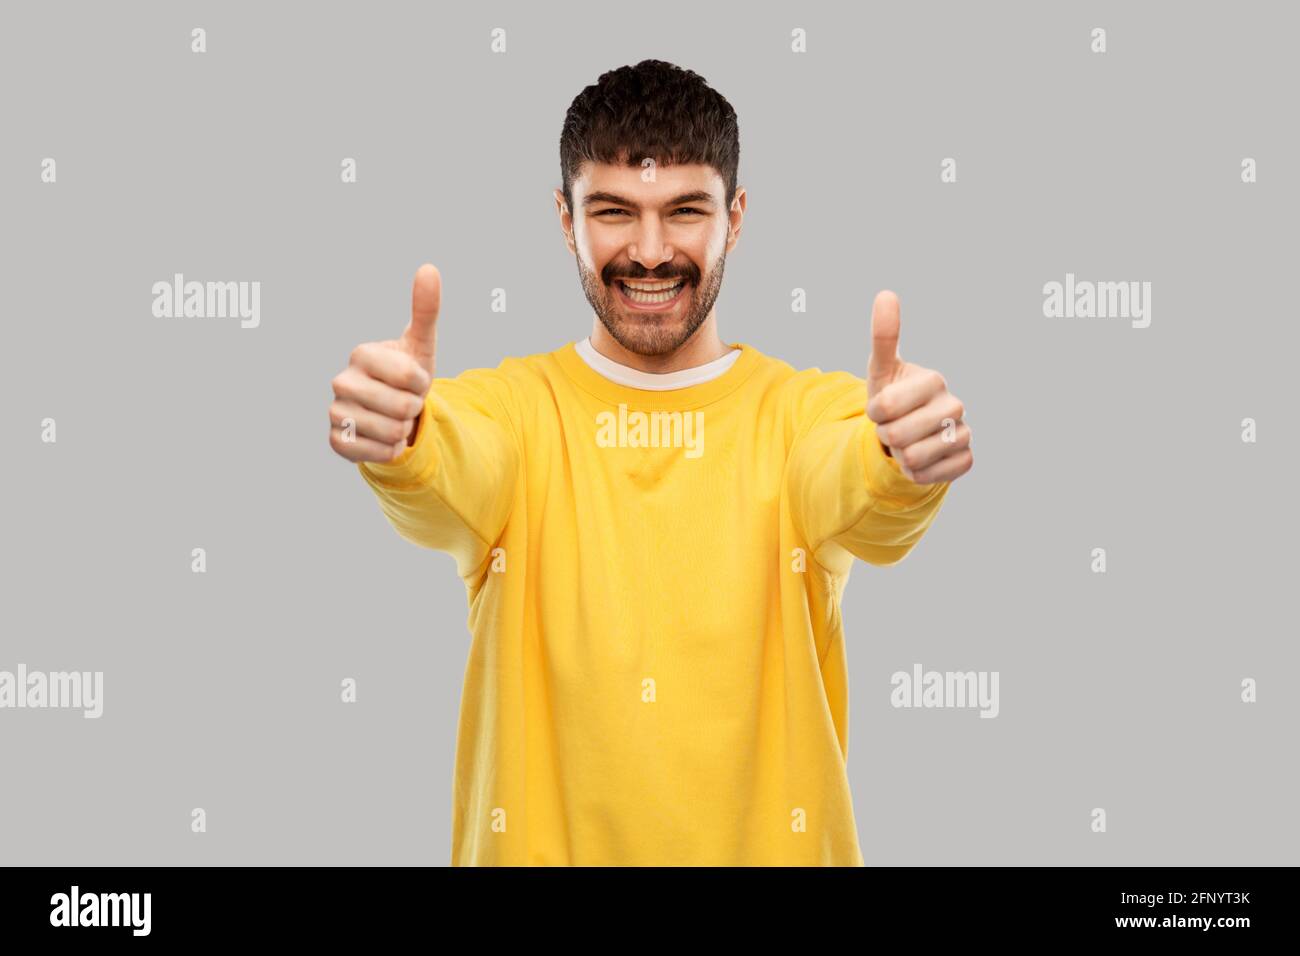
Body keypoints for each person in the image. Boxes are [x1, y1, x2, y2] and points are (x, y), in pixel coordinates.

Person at [328, 59, 973, 865]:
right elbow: (454, 471)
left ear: (734, 218)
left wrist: (899, 457)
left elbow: (854, 489)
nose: (650, 250)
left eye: (685, 210)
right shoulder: (510, 412)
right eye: (612, 211)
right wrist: (400, 439)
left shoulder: (811, 414)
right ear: (565, 220)